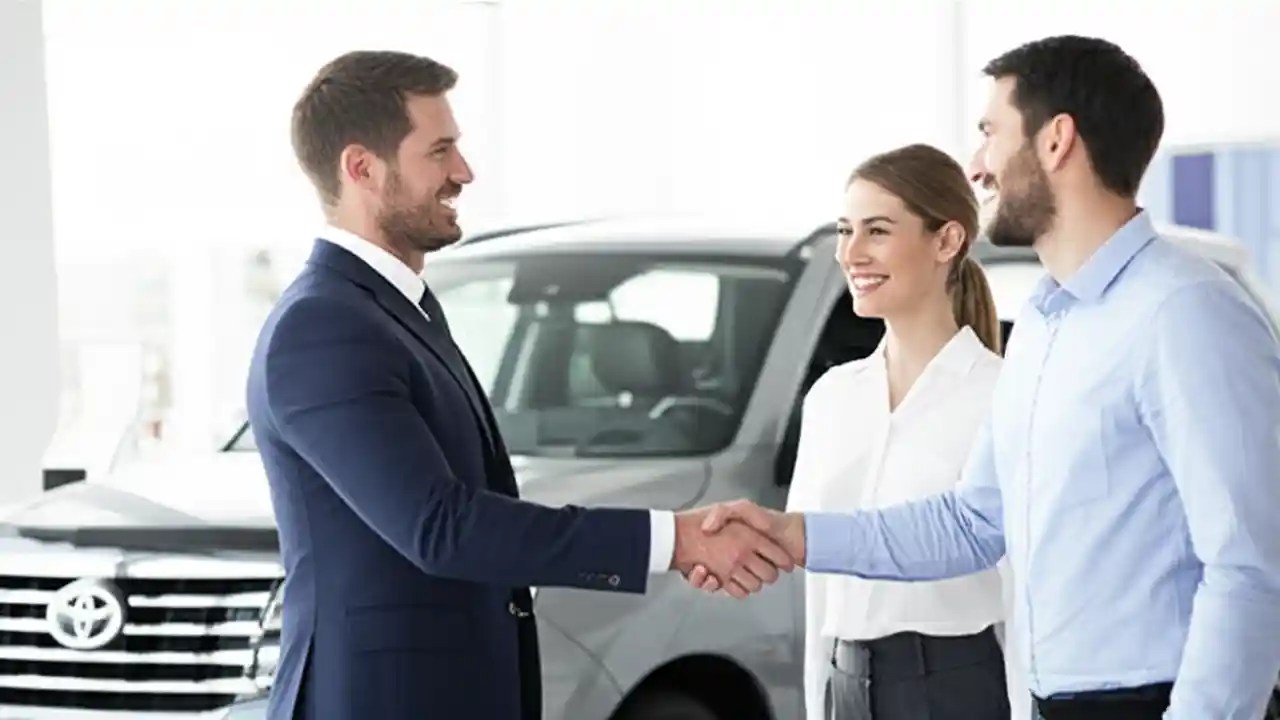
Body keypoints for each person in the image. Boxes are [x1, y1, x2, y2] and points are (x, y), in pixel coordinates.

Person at [691, 35, 1280, 720]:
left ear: (1056, 140)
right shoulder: (1045, 325)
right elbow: (972, 522)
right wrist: (795, 535)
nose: (977, 165)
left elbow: (1252, 566)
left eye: (990, 133)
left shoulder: (1185, 311)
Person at [244, 50, 794, 720]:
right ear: (361, 167)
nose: (463, 172)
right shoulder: (324, 325)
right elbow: (441, 527)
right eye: (439, 151)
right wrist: (677, 541)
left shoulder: (395, 311)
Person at [781, 143, 1023, 720]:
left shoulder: (1004, 393)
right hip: (847, 685)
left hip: (957, 688)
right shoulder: (831, 398)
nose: (851, 253)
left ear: (947, 241)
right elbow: (820, 592)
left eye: (878, 231)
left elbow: (1023, 592)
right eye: (845, 230)